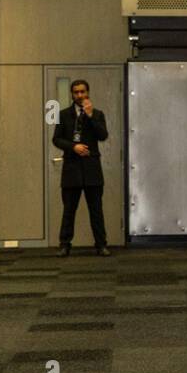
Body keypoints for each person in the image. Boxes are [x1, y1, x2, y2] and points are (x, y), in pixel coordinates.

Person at [52, 79, 109, 256]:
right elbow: (56, 139)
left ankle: (101, 244)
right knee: (69, 209)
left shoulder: (97, 114)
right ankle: (65, 244)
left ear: (88, 92)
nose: (79, 95)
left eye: (82, 92)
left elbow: (103, 135)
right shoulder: (63, 115)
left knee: (96, 210)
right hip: (71, 169)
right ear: (72, 94)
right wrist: (73, 147)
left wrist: (90, 116)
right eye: (76, 92)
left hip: (92, 169)